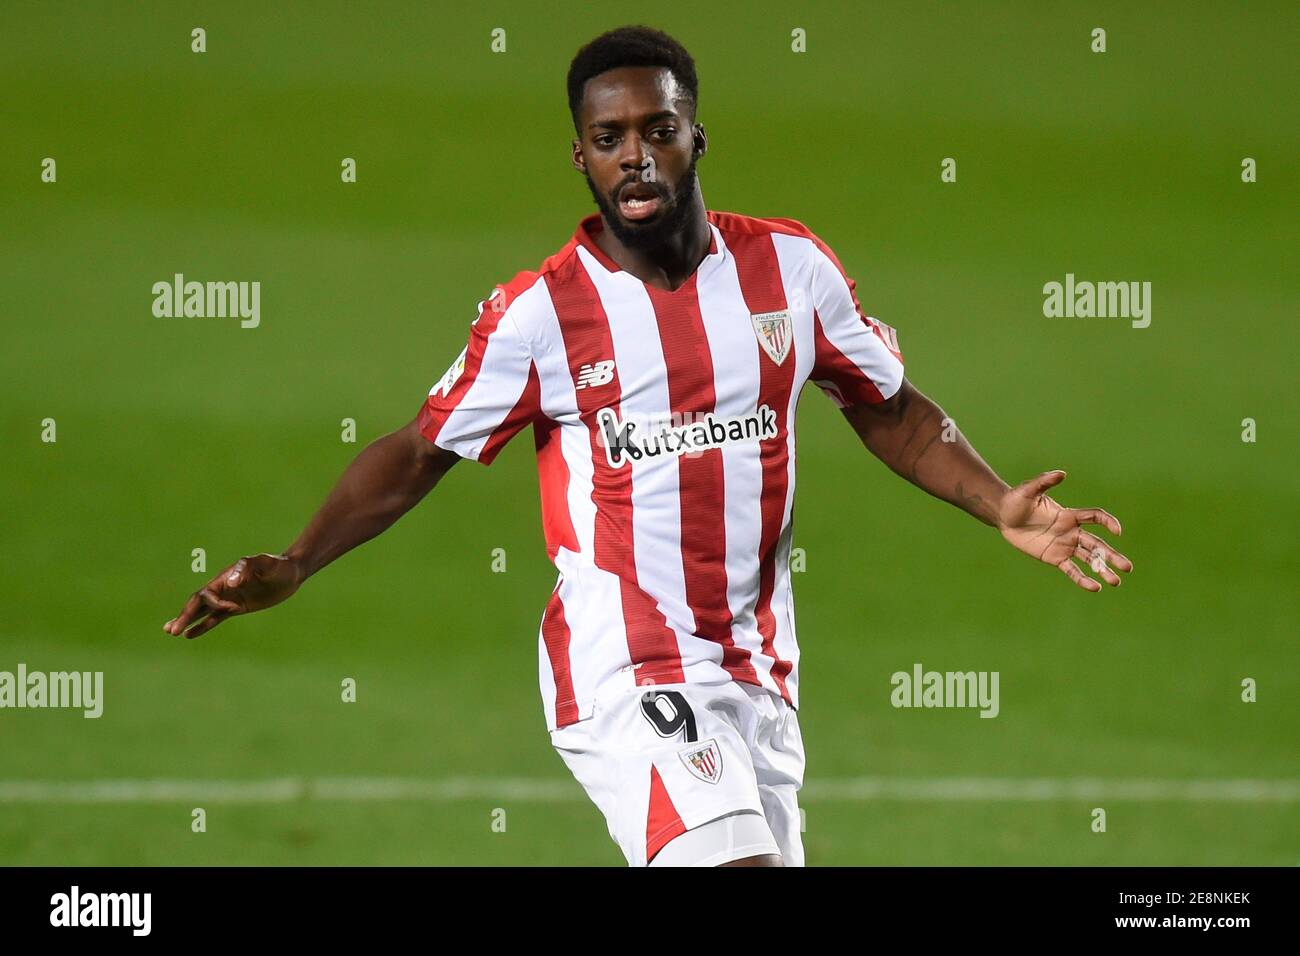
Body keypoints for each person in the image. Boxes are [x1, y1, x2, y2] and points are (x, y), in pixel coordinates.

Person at [164, 25, 1133, 867]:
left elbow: (889, 407)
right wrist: (298, 560)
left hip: (759, 668)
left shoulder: (789, 270)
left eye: (656, 131)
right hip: (624, 662)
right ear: (579, 157)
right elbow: (421, 449)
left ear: (695, 136)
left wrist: (998, 500)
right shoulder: (543, 313)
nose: (635, 156)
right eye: (608, 138)